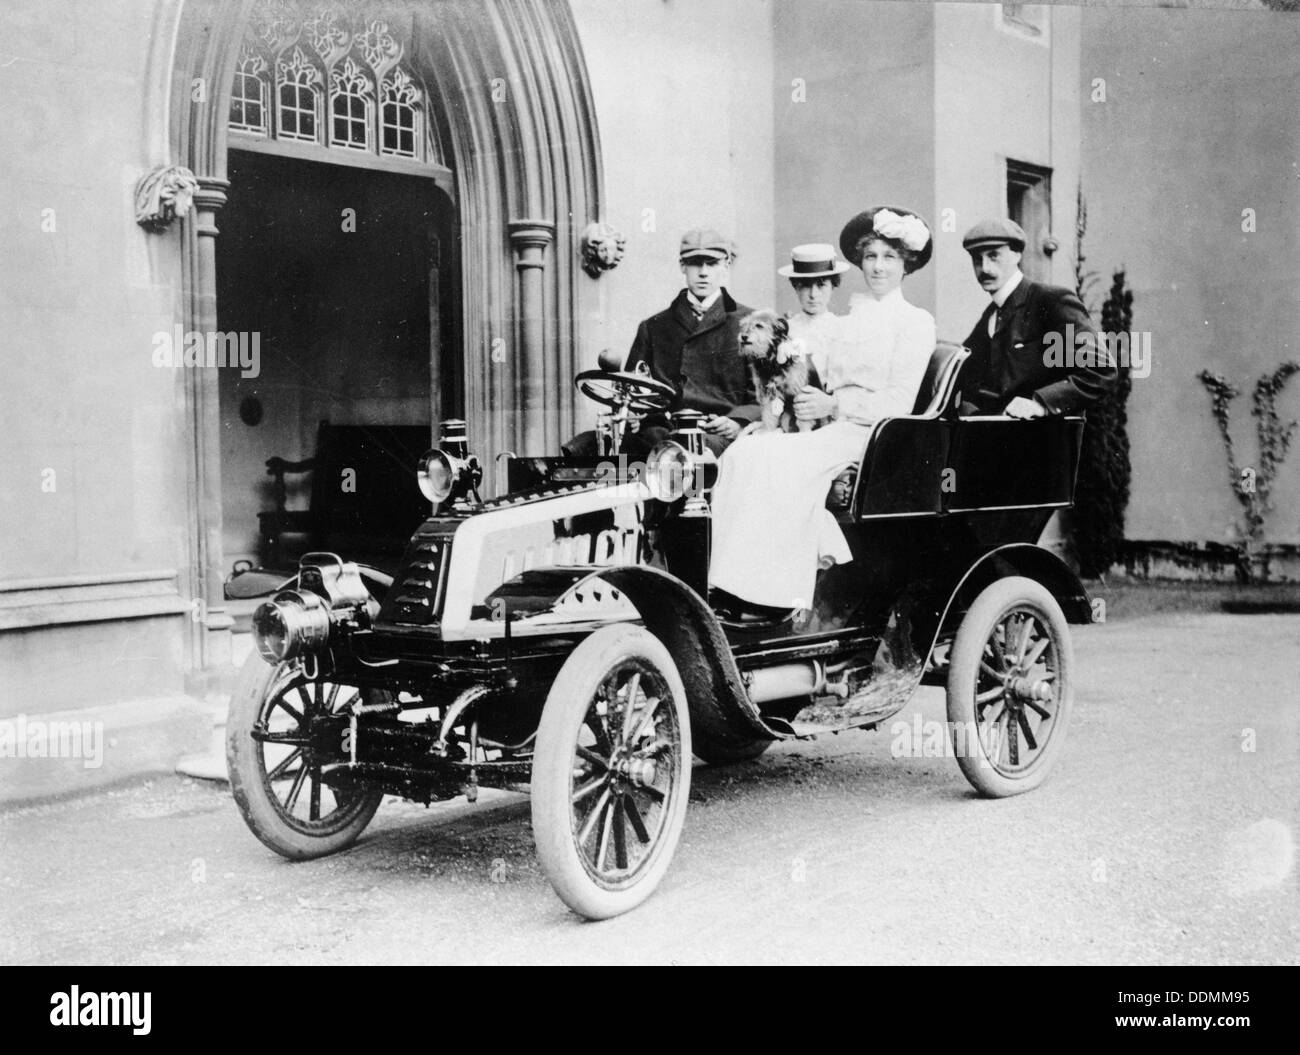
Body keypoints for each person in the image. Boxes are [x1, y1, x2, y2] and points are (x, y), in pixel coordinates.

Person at [709, 207, 936, 612]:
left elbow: (899, 402)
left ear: (907, 264)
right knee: (746, 452)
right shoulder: (849, 321)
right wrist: (778, 416)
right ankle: (728, 583)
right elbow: (813, 380)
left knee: (783, 463)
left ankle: (774, 596)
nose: (878, 267)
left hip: (876, 435)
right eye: (870, 257)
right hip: (831, 426)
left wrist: (834, 404)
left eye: (889, 257)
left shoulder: (914, 322)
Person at [563, 227, 758, 459]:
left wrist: (737, 421)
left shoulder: (749, 323)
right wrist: (635, 416)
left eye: (712, 263)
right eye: (695, 263)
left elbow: (762, 394)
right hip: (659, 431)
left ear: (725, 266)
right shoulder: (654, 326)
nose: (703, 272)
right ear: (682, 266)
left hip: (716, 434)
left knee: (680, 455)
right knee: (583, 448)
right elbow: (632, 389)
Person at [958, 218, 1117, 417]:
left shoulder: (1051, 301)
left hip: (1045, 440)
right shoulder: (990, 316)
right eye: (977, 260)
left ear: (1016, 254)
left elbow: (1101, 370)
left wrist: (1041, 403)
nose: (985, 268)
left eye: (994, 256)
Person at [777, 243, 852, 379]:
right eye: (806, 286)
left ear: (833, 286)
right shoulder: (786, 330)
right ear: (796, 287)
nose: (813, 294)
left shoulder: (843, 329)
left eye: (821, 285)